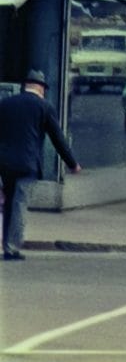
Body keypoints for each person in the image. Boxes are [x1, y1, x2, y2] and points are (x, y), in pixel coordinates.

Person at [0, 70, 82, 260]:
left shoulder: (5, 104)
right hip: (27, 164)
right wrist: (72, 163)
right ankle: (12, 248)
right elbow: (57, 138)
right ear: (41, 88)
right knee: (19, 205)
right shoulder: (44, 107)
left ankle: (7, 244)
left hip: (4, 164)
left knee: (9, 205)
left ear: (25, 86)